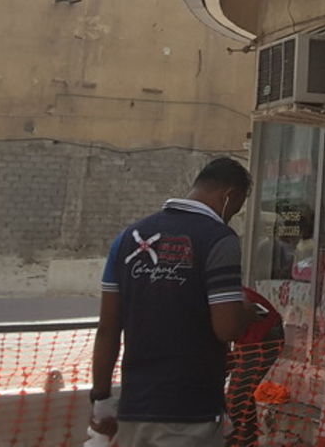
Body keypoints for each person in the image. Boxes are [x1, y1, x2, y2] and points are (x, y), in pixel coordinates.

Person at [90, 158, 254, 446]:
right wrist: (247, 312)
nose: (232, 217)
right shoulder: (219, 239)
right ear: (228, 196)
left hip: (134, 408)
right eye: (236, 209)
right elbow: (227, 328)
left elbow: (108, 328)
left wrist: (101, 399)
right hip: (190, 411)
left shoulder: (127, 239)